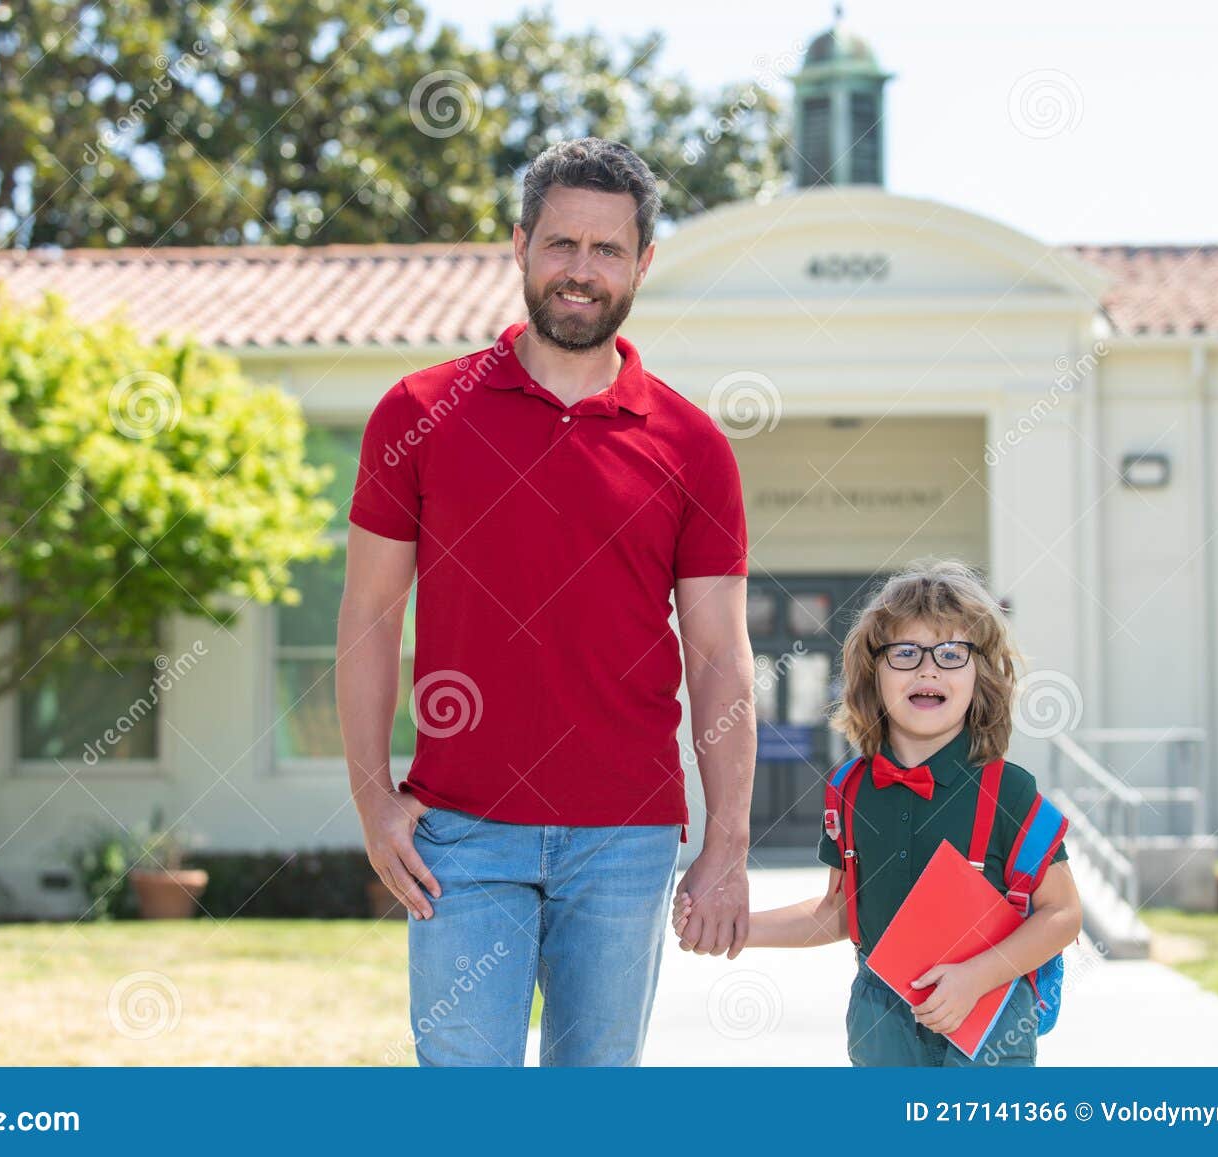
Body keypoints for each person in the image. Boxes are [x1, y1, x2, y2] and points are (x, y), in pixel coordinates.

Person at [337, 137, 756, 1067]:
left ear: (643, 263)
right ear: (521, 245)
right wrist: (372, 798)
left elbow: (721, 657)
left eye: (608, 249)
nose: (581, 269)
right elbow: (368, 615)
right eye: (562, 243)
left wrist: (727, 840)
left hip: (625, 838)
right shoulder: (419, 413)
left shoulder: (692, 446)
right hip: (459, 830)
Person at [675, 559, 1083, 1066]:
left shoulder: (1009, 791)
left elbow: (1063, 914)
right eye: (905, 653)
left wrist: (976, 976)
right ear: (874, 674)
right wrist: (733, 929)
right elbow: (839, 914)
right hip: (880, 1019)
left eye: (952, 654)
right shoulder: (849, 791)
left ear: (979, 676)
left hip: (988, 1018)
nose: (928, 669)